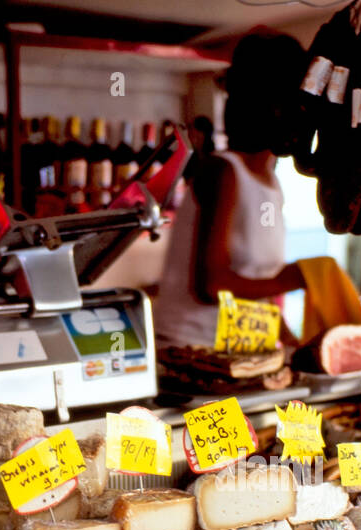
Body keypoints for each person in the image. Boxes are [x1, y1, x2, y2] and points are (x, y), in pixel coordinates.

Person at [152, 33, 307, 348]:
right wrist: (291, 279)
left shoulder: (272, 183)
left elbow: (256, 298)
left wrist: (297, 345)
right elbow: (212, 285)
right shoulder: (223, 171)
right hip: (192, 349)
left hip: (240, 351)